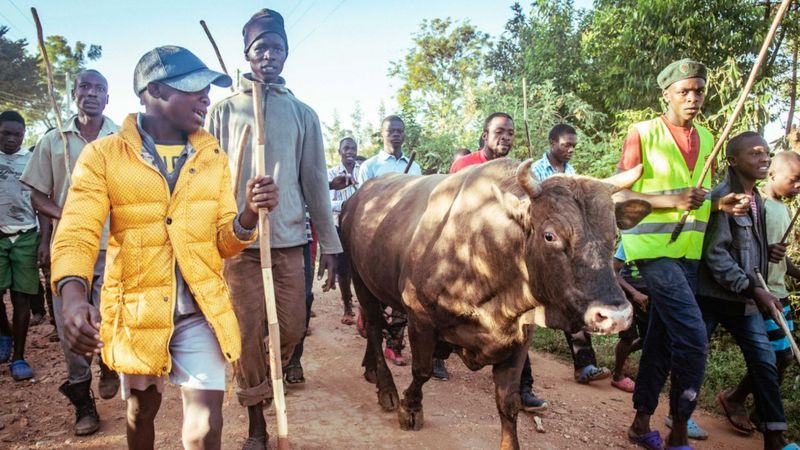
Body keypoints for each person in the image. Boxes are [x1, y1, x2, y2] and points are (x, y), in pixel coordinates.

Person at [51, 45, 277, 450]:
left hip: (199, 312)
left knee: (207, 424)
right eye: (194, 88)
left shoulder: (212, 158)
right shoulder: (103, 156)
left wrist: (246, 216)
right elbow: (77, 231)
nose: (206, 98)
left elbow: (223, 244)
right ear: (152, 90)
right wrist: (71, 296)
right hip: (138, 310)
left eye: (208, 90)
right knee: (142, 412)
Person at [206, 9, 341, 449]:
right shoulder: (223, 112)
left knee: (293, 326)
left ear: (286, 54)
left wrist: (332, 246)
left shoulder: (302, 113)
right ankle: (256, 421)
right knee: (246, 330)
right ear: (247, 54)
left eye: (277, 48)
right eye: (261, 48)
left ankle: (261, 370)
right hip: (238, 245)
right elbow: (205, 181)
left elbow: (316, 183)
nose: (269, 56)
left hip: (288, 242)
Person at [618, 59, 748, 450]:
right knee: (693, 336)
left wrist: (721, 204)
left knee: (661, 338)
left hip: (689, 253)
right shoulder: (642, 133)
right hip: (652, 252)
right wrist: (672, 199)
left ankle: (641, 423)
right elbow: (621, 199)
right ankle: (678, 432)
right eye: (683, 92)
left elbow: (701, 199)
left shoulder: (709, 138)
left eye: (699, 91)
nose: (692, 98)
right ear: (666, 95)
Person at [20, 69, 120, 435]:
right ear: (74, 94)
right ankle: (83, 403)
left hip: (113, 245)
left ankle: (109, 364)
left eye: (100, 88)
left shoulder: (121, 138)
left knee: (110, 315)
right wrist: (68, 216)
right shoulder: (53, 141)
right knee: (70, 328)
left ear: (107, 97)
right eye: (85, 87)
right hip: (69, 247)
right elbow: (36, 194)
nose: (92, 93)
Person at [697, 135, 797, 450]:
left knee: (766, 361)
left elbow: (748, 250)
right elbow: (716, 255)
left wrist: (769, 253)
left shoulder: (757, 200)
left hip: (745, 300)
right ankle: (673, 413)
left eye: (766, 152)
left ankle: (774, 438)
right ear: (732, 160)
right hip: (714, 297)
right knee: (691, 355)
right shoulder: (723, 197)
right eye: (755, 153)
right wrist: (753, 289)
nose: (763, 157)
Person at [446, 112, 548, 411]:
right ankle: (439, 357)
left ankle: (523, 389)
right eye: (500, 131)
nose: (506, 137)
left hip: (508, 265)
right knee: (448, 308)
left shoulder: (519, 172)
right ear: (485, 134)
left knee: (520, 322)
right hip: (468, 258)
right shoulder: (464, 166)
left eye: (511, 133)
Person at [531, 123, 613, 385]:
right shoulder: (534, 172)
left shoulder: (573, 175)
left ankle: (585, 364)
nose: (571, 150)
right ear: (552, 143)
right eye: (567, 144)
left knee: (575, 298)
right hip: (540, 250)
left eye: (574, 146)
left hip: (568, 250)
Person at [613, 244, 709, 440]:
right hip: (642, 285)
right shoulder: (632, 240)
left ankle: (645, 421)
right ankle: (678, 428)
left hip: (664, 284)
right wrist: (633, 294)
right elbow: (614, 269)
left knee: (655, 342)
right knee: (691, 342)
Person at [358, 115, 421, 367]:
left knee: (404, 290)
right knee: (376, 289)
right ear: (381, 134)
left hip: (407, 237)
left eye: (399, 130)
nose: (395, 134)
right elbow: (363, 204)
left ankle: (394, 344)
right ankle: (368, 315)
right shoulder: (370, 166)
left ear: (404, 134)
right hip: (377, 236)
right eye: (390, 131)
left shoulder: (414, 167)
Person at [0, 110, 43, 382]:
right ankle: (4, 332)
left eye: (17, 134)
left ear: (24, 135)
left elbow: (41, 199)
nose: (11, 139)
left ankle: (19, 356)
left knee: (21, 299)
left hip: (26, 236)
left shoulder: (31, 161)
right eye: (5, 133)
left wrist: (45, 240)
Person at [328, 137, 360, 325]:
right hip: (339, 226)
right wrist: (348, 205)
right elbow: (326, 202)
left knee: (362, 267)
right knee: (343, 268)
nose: (350, 151)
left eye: (353, 148)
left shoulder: (362, 171)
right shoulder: (331, 173)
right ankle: (347, 307)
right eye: (346, 148)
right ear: (339, 151)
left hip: (360, 226)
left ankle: (364, 307)